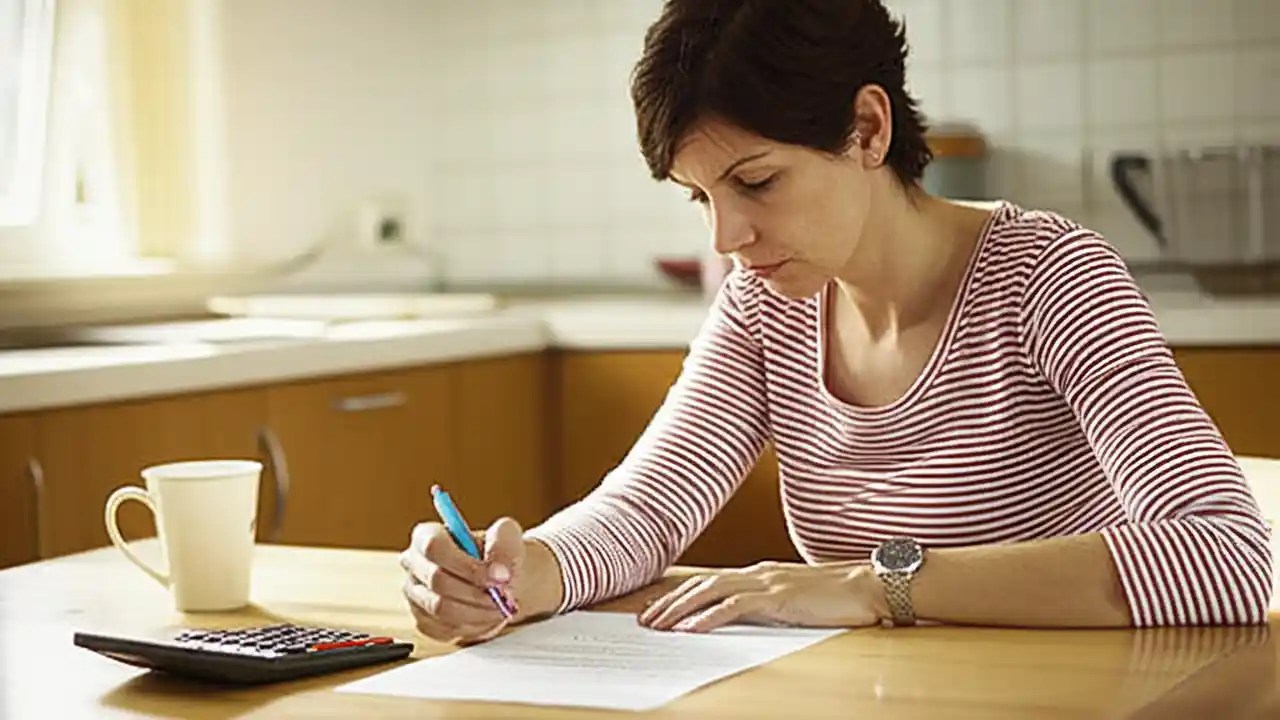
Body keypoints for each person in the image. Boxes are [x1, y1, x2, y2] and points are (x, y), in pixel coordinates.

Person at [399, 0, 1274, 644]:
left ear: (866, 128)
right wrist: (522, 574)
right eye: (699, 197)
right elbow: (647, 510)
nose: (725, 238)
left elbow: (1227, 560)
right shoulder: (764, 302)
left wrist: (875, 586)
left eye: (757, 182)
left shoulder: (1049, 276)